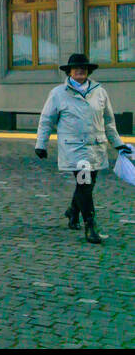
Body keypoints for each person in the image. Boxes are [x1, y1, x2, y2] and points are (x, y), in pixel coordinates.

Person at [35, 53, 132, 245]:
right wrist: (41, 144)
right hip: (74, 150)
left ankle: (73, 211)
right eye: (76, 68)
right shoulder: (58, 94)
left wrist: (118, 143)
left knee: (86, 184)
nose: (80, 71)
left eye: (83, 68)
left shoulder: (100, 92)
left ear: (88, 71)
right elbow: (46, 120)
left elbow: (109, 121)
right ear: (69, 71)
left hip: (96, 148)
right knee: (85, 184)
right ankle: (90, 225)